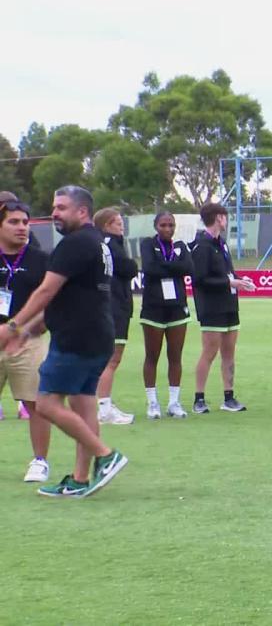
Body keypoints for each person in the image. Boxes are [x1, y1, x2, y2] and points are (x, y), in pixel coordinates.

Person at [0, 185, 128, 498]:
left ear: (82, 211)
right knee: (84, 407)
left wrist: (14, 327)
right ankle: (81, 479)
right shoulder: (96, 243)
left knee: (45, 404)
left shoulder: (74, 244)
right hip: (97, 334)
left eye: (61, 207)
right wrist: (31, 332)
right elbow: (66, 297)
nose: (54, 212)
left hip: (75, 337)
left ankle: (105, 455)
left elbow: (45, 292)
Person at [0, 200, 54, 482]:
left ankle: (40, 461)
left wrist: (18, 333)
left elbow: (49, 304)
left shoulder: (41, 259)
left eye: (24, 222)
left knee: (36, 404)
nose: (21, 227)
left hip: (27, 340)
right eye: (13, 222)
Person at [191, 202, 256, 413]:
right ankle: (198, 399)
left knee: (229, 352)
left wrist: (240, 280)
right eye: (225, 217)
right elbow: (199, 280)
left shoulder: (222, 243)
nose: (226, 220)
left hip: (229, 305)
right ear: (219, 218)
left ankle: (229, 397)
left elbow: (228, 274)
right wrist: (230, 283)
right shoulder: (201, 245)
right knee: (209, 352)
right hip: (211, 307)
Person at [140, 212, 194, 419]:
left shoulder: (180, 246)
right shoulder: (147, 244)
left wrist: (165, 266)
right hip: (153, 308)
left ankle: (174, 402)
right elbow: (149, 268)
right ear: (156, 226)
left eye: (171, 225)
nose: (167, 229)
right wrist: (174, 267)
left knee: (175, 356)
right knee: (152, 356)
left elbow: (189, 268)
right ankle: (152, 403)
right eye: (163, 225)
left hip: (177, 308)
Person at [92, 208, 138, 424]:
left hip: (114, 304)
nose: (122, 227)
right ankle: (104, 409)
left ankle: (105, 405)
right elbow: (129, 268)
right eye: (118, 223)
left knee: (110, 358)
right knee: (112, 359)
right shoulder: (109, 245)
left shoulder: (109, 244)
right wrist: (131, 265)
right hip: (114, 306)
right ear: (107, 225)